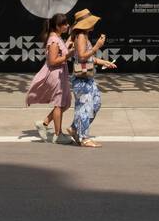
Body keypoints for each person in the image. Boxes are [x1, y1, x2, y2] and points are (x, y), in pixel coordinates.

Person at [68, 8, 117, 147]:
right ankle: (83, 137)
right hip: (82, 79)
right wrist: (97, 46)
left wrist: (103, 62)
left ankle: (75, 128)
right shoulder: (81, 36)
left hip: (86, 78)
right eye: (91, 22)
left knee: (95, 103)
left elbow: (87, 57)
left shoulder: (83, 35)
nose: (93, 24)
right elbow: (83, 56)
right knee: (86, 106)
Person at [25, 13, 72, 142]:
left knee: (66, 103)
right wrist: (68, 56)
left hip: (61, 74)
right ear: (57, 26)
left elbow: (61, 51)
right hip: (56, 75)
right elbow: (52, 61)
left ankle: (44, 123)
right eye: (65, 24)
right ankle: (58, 134)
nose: (67, 26)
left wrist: (69, 44)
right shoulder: (54, 40)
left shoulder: (57, 37)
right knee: (59, 104)